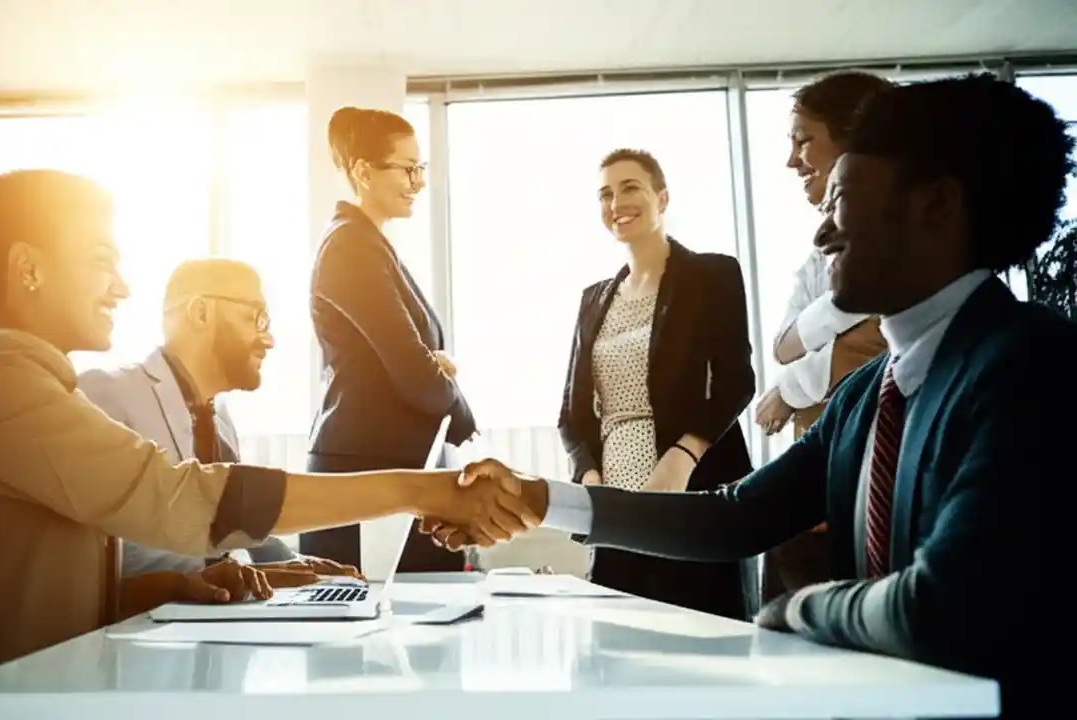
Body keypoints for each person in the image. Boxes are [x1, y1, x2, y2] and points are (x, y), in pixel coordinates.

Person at [434, 75, 1076, 718]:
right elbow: (733, 517)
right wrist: (540, 497)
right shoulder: (861, 400)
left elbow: (943, 606)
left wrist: (799, 607)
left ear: (936, 207)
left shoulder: (1031, 366)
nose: (823, 235)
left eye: (841, 200)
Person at [0, 170, 533, 720]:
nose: (122, 286)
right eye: (100, 260)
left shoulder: (18, 377)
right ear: (28, 268)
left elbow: (18, 580)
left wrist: (163, 586)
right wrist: (420, 487)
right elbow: (179, 500)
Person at [557, 148, 755, 618]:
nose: (616, 202)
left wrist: (681, 459)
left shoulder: (713, 274)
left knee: (703, 633)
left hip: (690, 485)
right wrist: (588, 480)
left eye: (630, 188)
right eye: (605, 193)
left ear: (661, 197)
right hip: (614, 508)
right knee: (617, 645)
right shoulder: (593, 299)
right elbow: (571, 413)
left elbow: (736, 381)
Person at [78, 258, 358, 578]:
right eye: (257, 318)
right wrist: (229, 572)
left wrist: (297, 565)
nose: (269, 340)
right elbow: (110, 552)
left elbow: (229, 523)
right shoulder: (106, 393)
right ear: (201, 313)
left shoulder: (219, 415)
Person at [303, 106, 477, 572]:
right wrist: (463, 415)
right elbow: (411, 366)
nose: (419, 181)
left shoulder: (370, 243)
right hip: (362, 469)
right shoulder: (350, 245)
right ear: (363, 171)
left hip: (390, 463)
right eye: (407, 168)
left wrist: (431, 366)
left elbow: (413, 360)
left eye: (421, 168)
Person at [752, 71, 893, 600]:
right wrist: (843, 309)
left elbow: (877, 342)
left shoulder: (918, 266)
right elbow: (784, 342)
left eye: (803, 139)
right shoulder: (818, 253)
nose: (792, 160)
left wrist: (791, 387)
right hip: (820, 483)